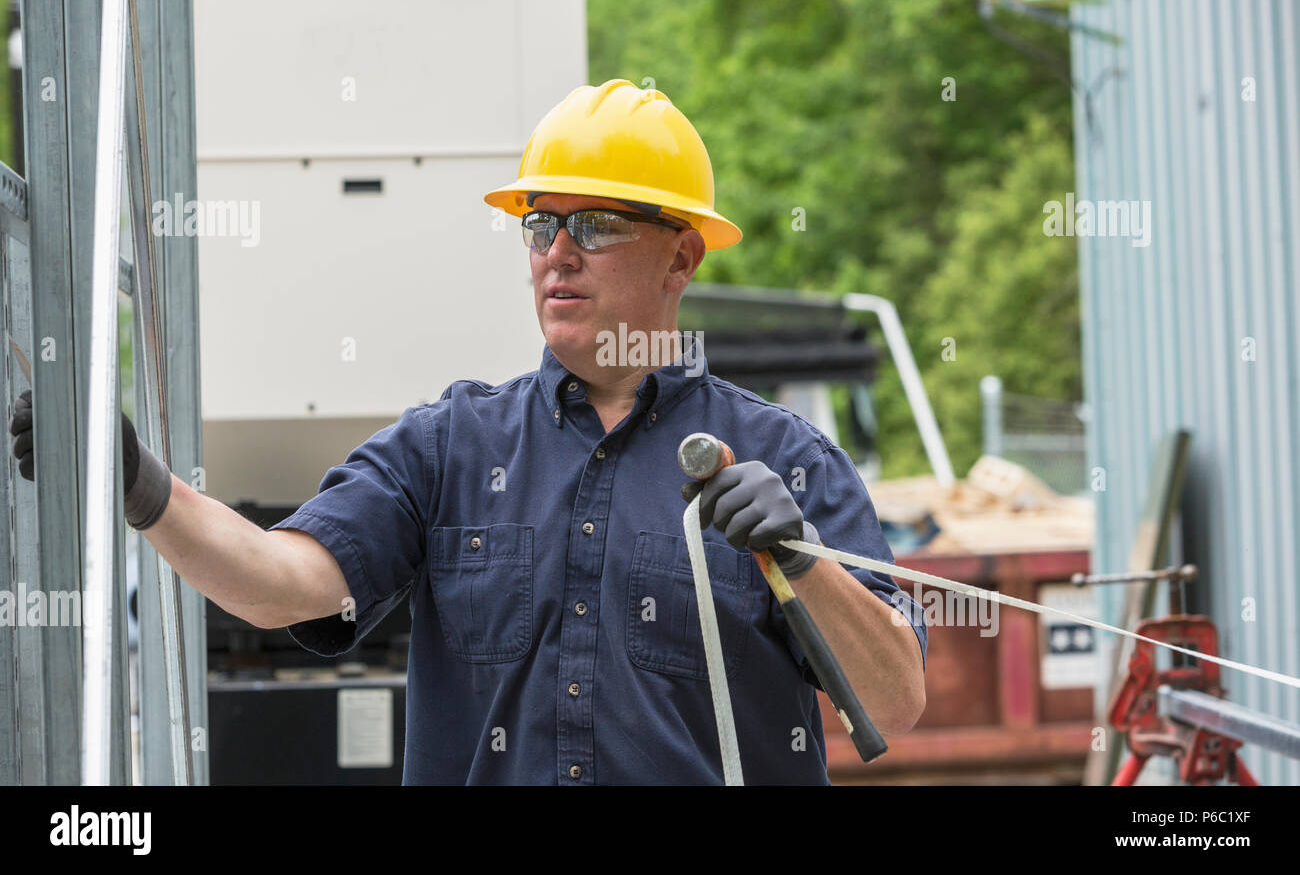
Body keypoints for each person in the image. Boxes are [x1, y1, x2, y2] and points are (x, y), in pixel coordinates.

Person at [10, 78, 926, 784]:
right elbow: (278, 585)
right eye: (539, 226)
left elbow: (896, 699)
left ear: (681, 253)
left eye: (595, 226)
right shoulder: (450, 446)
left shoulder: (790, 460)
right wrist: (139, 484)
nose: (557, 253)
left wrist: (803, 558)